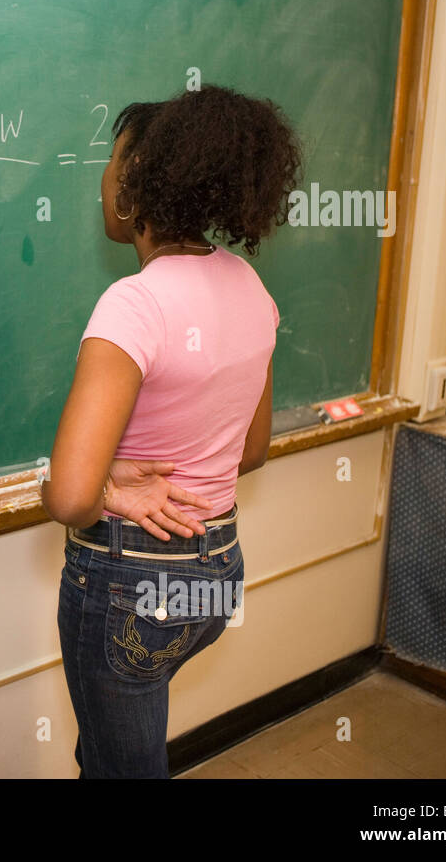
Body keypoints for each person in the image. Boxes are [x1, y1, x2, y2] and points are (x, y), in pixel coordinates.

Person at [40, 85, 300, 778]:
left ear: (133, 192)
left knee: (126, 764)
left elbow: (69, 496)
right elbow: (250, 449)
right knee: (109, 748)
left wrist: (107, 491)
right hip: (216, 577)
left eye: (112, 162)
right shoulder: (250, 286)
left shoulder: (134, 305)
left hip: (131, 586)